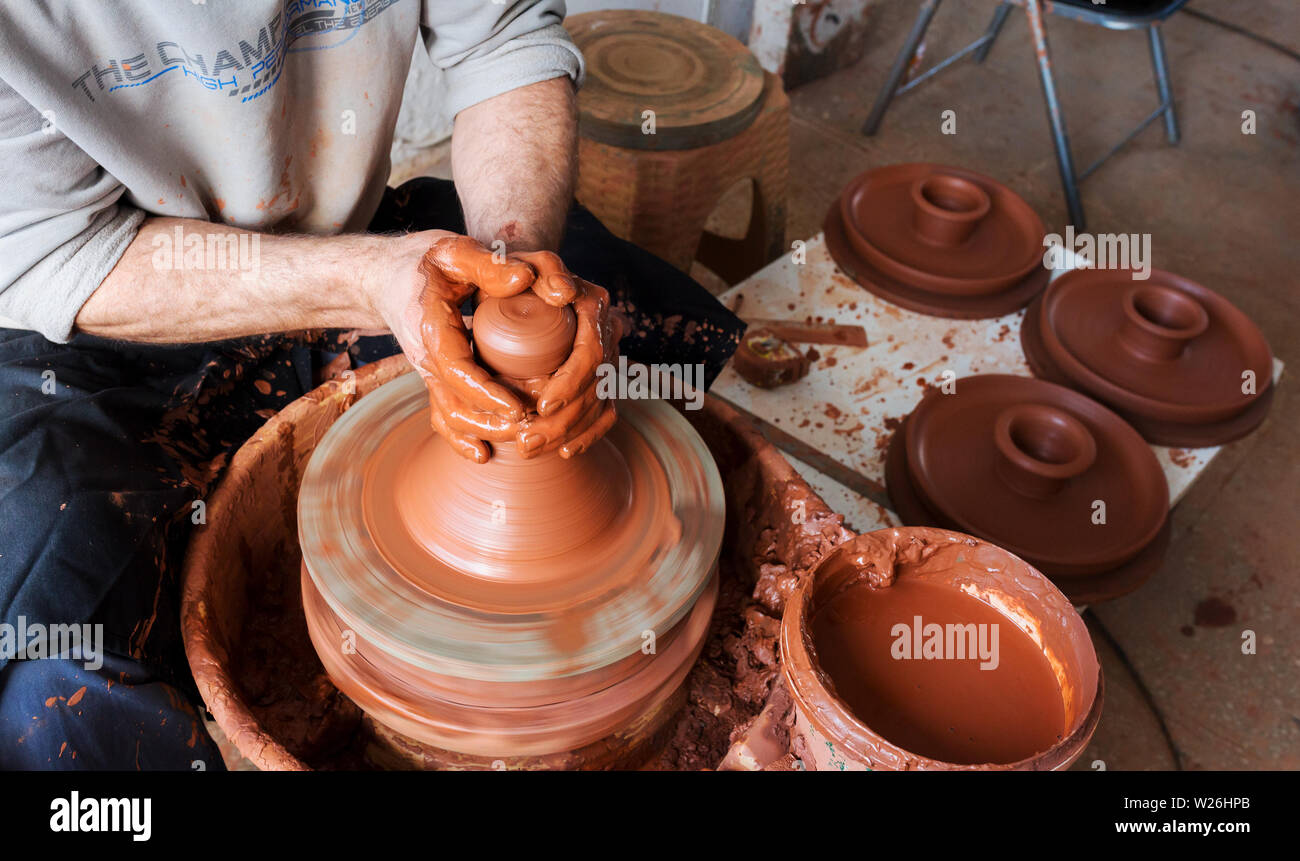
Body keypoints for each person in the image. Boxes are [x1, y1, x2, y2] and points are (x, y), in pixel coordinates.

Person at [0, 0, 743, 769]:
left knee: (624, 317)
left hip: (348, 246)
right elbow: (50, 250)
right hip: (91, 319)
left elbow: (503, 38)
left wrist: (509, 277)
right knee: (50, 664)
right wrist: (366, 280)